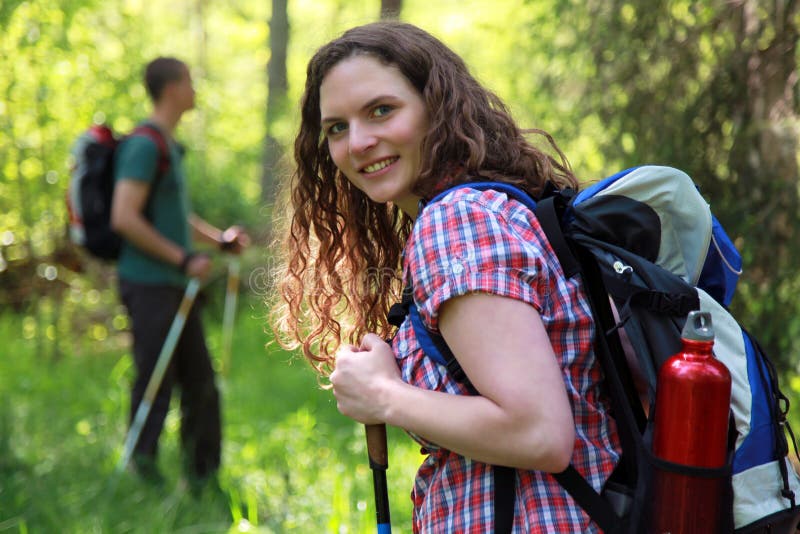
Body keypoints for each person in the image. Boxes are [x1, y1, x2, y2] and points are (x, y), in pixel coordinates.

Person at [272, 22, 621, 532]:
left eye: (381, 110)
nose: (359, 142)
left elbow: (539, 435)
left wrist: (384, 395)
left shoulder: (456, 220)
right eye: (336, 128)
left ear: (437, 107)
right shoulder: (494, 206)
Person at [111, 56, 249, 487]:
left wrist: (217, 241)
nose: (195, 88)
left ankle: (203, 477)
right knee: (156, 382)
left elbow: (175, 216)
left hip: (174, 284)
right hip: (150, 284)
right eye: (190, 80)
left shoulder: (168, 146)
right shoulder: (144, 145)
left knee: (201, 384)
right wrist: (183, 259)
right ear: (172, 89)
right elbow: (124, 217)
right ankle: (143, 472)